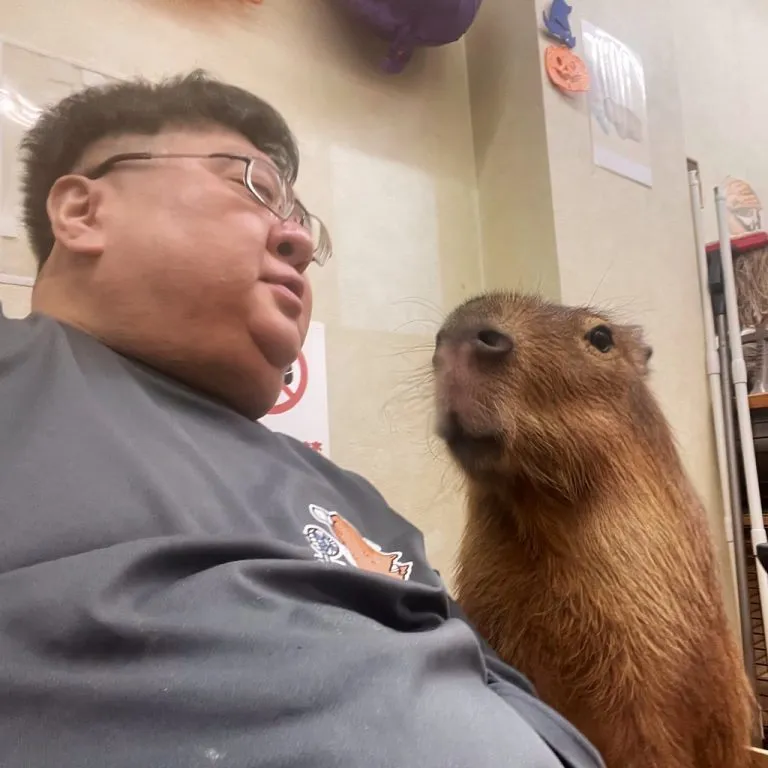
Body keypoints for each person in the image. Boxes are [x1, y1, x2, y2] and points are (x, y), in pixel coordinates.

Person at [0, 70, 604, 768]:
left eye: (302, 220)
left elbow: (510, 697)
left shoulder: (355, 500)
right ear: (83, 212)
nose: (298, 241)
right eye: (251, 186)